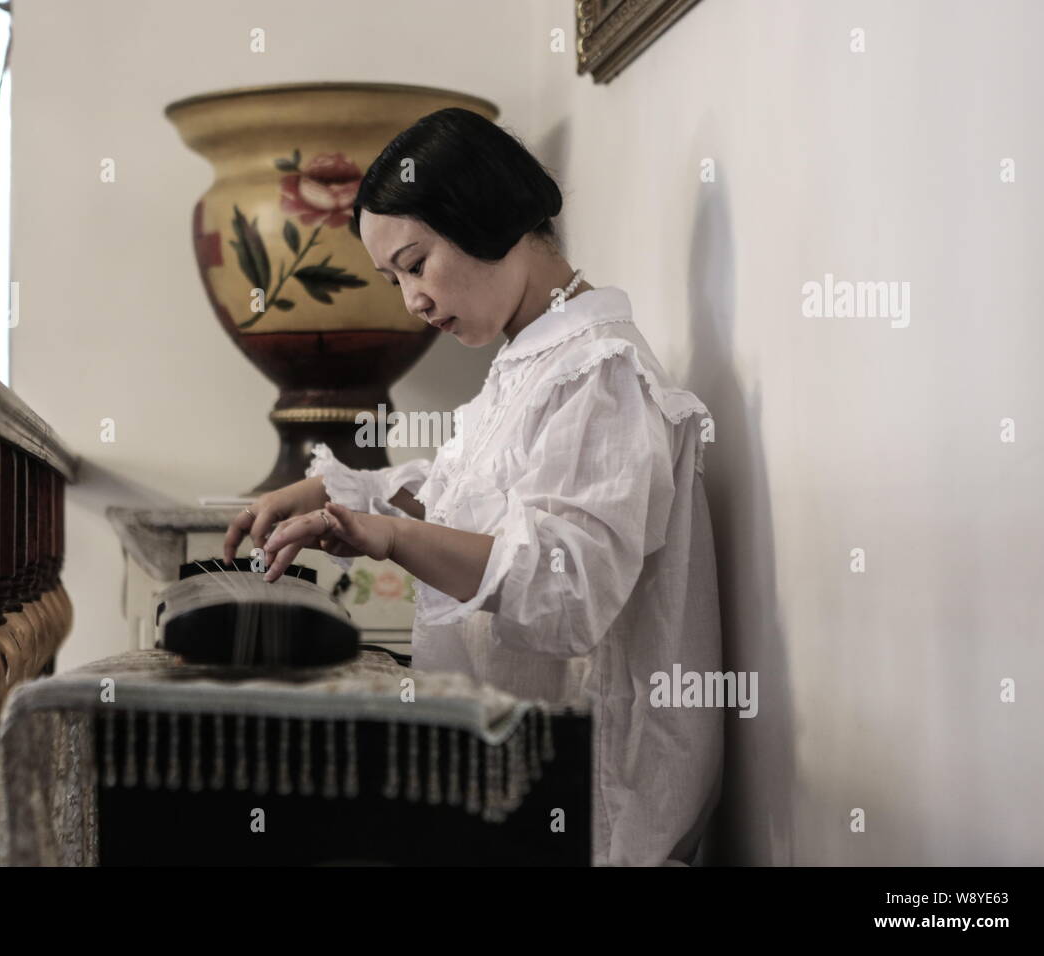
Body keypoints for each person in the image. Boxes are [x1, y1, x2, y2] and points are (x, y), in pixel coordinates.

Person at [222, 108, 722, 866]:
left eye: (416, 264)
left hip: (596, 815)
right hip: (520, 787)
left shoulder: (602, 375)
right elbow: (468, 499)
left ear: (486, 216)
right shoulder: (529, 366)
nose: (412, 303)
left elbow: (566, 590)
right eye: (394, 280)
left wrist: (391, 534)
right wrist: (341, 496)